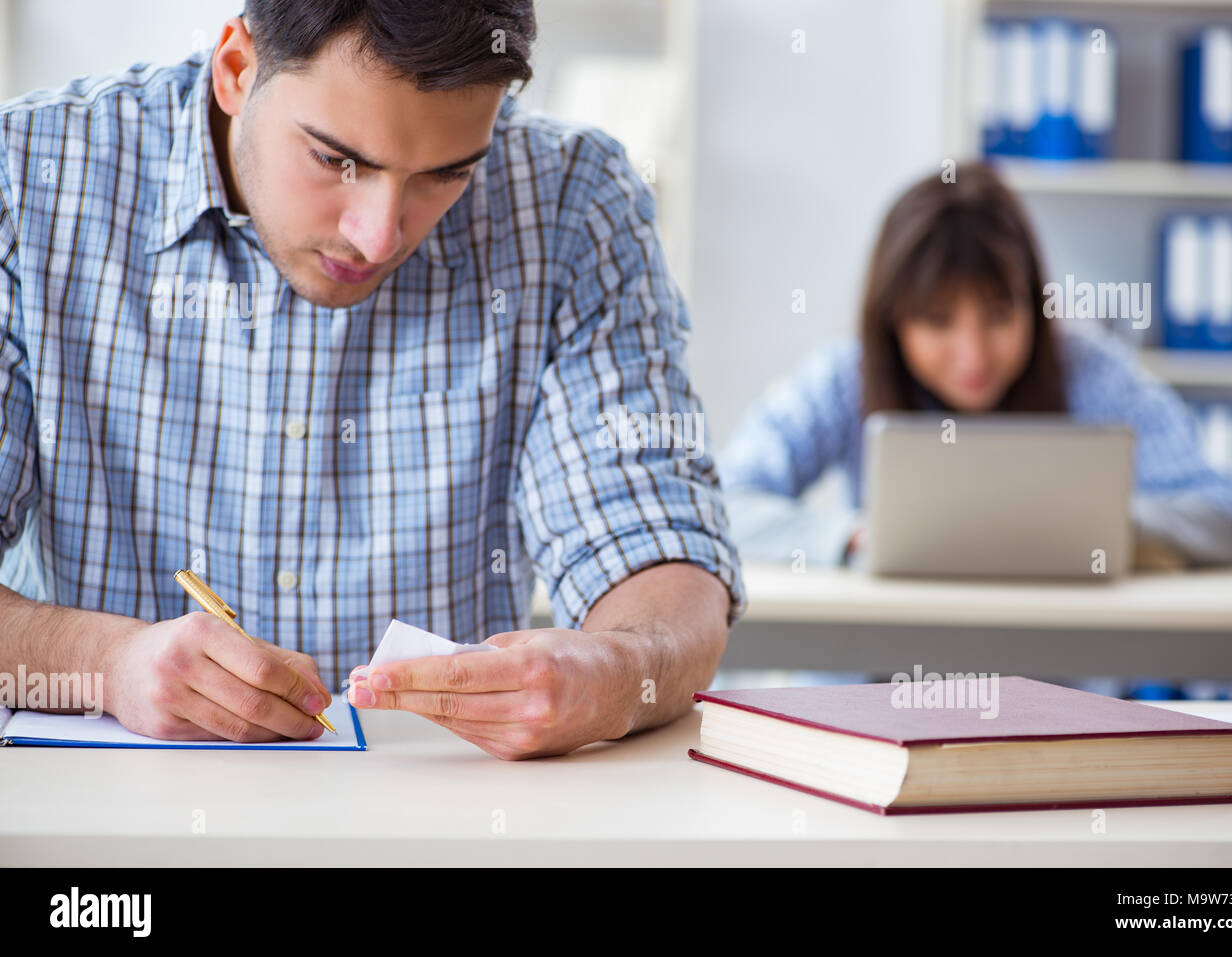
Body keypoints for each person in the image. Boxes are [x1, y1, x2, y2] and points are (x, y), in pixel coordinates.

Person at [0, 1, 744, 759]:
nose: (380, 234)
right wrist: (103, 665)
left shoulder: (573, 203)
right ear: (235, 68)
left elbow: (652, 539)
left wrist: (614, 670)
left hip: (445, 827)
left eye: (445, 174)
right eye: (335, 160)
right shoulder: (29, 179)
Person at [720, 162, 1232, 570]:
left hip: (1056, 701)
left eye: (999, 315)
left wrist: (1104, 522)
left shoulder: (1091, 370)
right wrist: (851, 537)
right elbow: (719, 505)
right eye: (937, 322)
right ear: (894, 321)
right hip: (878, 692)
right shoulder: (846, 376)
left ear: (1033, 303)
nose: (973, 355)